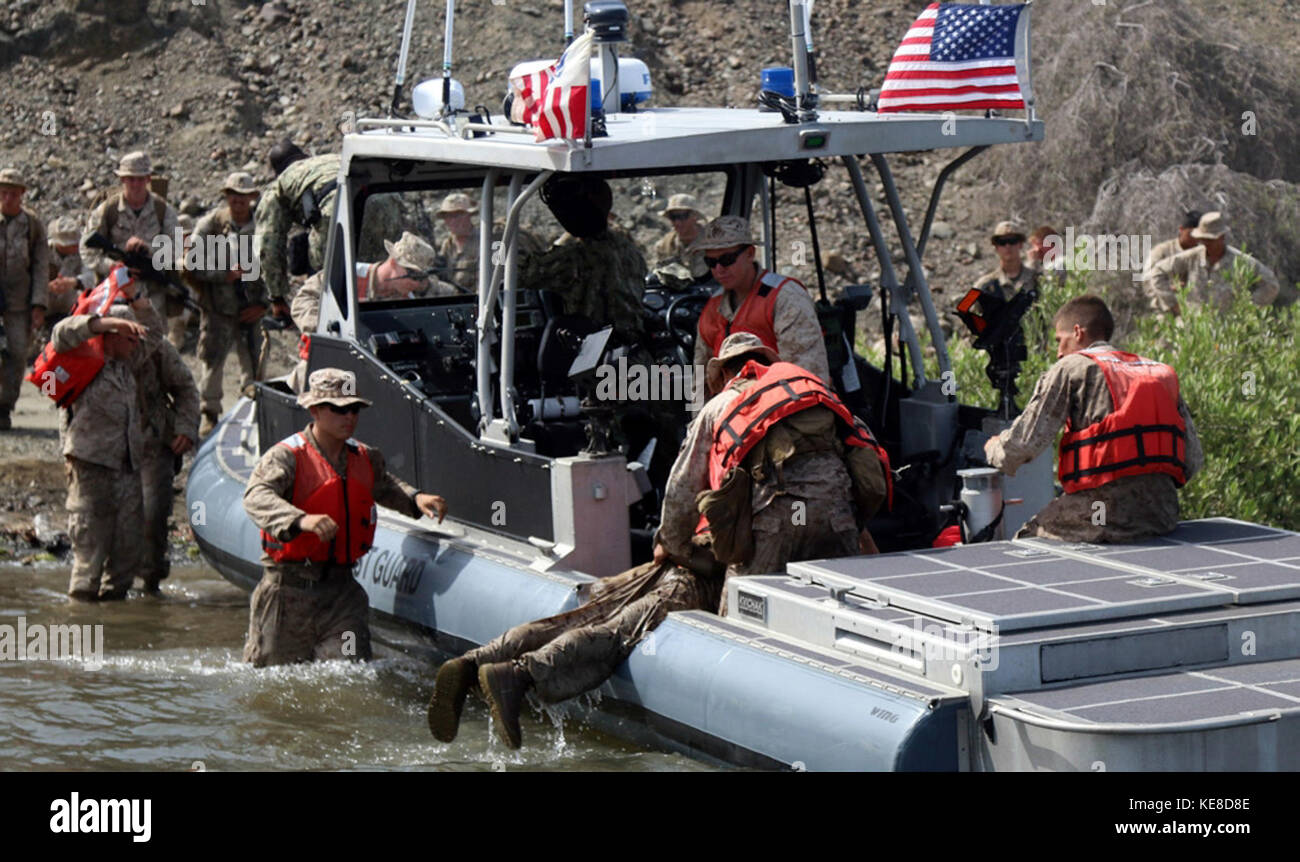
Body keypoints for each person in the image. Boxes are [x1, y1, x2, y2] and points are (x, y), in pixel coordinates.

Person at [659, 332, 889, 614]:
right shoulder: (807, 390)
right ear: (766, 362)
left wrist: (672, 544)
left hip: (778, 521)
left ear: (724, 374)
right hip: (834, 515)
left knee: (739, 619)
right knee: (846, 613)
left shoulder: (719, 406)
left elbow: (683, 488)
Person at [241, 368, 448, 667]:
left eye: (354, 409)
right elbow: (256, 497)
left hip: (341, 596)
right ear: (314, 410)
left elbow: (384, 485)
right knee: (273, 679)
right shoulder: (285, 457)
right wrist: (301, 520)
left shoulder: (364, 457)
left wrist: (415, 499)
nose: (349, 417)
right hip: (288, 594)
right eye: (339, 409)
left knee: (349, 673)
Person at [984, 295, 1204, 542]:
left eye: (1060, 341)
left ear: (1077, 333)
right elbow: (1193, 460)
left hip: (1102, 516)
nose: (1058, 352)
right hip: (1161, 515)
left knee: (1028, 537)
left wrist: (993, 449)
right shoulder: (1158, 372)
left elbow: (1024, 444)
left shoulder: (1072, 368)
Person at [47, 291, 160, 600]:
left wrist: (138, 300)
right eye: (128, 337)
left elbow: (157, 333)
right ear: (111, 336)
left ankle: (115, 631)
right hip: (90, 466)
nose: (135, 343)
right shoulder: (82, 357)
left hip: (126, 468)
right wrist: (105, 321)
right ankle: (82, 631)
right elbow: (61, 332)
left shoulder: (129, 362)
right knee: (89, 558)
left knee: (126, 554)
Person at [287, 232, 450, 392]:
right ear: (393, 262)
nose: (417, 284)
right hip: (327, 367)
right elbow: (302, 302)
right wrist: (333, 329)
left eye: (422, 278)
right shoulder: (347, 276)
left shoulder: (407, 302)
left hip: (373, 377)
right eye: (413, 275)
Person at [256, 139, 401, 312]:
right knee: (379, 273)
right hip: (385, 202)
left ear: (277, 172)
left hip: (336, 208)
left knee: (330, 284)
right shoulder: (333, 159)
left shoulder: (281, 183)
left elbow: (269, 243)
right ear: (305, 155)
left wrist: (277, 297)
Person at [690, 216, 830, 390]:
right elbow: (700, 381)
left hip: (781, 407)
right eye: (711, 262)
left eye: (727, 260)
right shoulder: (712, 309)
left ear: (750, 253)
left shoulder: (786, 298)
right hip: (729, 410)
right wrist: (701, 417)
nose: (718, 269)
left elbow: (808, 377)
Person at [518, 174, 648, 346]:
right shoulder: (628, 250)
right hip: (634, 354)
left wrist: (498, 242)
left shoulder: (574, 257)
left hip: (593, 359)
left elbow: (516, 273)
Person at [191, 172, 269, 435]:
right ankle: (209, 414)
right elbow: (191, 264)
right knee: (212, 361)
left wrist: (265, 305)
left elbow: (277, 266)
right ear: (226, 197)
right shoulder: (210, 226)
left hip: (252, 309)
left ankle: (252, 413)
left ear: (251, 198)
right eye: (233, 196)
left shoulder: (263, 226)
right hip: (217, 308)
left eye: (243, 197)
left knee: (255, 363)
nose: (238, 202)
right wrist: (224, 275)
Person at [134, 317, 200, 592]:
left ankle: (150, 581)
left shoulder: (156, 348)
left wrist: (185, 428)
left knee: (153, 512)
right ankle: (106, 583)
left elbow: (186, 388)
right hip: (106, 444)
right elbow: (68, 403)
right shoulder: (87, 350)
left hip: (152, 438)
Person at [80, 151, 180, 315]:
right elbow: (86, 247)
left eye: (140, 179)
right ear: (122, 179)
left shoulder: (162, 210)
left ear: (148, 179)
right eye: (131, 179)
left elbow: (176, 249)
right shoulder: (108, 209)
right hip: (115, 291)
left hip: (151, 292)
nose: (135, 184)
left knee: (155, 338)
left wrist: (149, 250)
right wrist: (112, 266)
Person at [1144, 211, 1281, 314]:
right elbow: (1156, 272)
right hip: (1190, 328)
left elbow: (1271, 285)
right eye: (1203, 239)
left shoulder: (1241, 261)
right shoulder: (1191, 257)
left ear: (1221, 237)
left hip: (1225, 331)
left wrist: (1247, 307)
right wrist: (1173, 304)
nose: (1205, 243)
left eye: (1210, 240)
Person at [0, 168, 49, 429]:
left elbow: (41, 266)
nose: (8, 198)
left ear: (22, 195)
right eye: (3, 192)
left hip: (18, 302)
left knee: (18, 354)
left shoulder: (32, 225)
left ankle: (4, 407)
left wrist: (39, 304)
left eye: (13, 193)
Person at [969, 220, 1038, 317]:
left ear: (1020, 244)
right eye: (1002, 242)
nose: (1008, 246)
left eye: (1012, 241)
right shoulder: (983, 284)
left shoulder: (1036, 280)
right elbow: (964, 308)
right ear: (996, 247)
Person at [651, 193, 709, 281]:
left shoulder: (713, 241)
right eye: (673, 217)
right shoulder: (664, 247)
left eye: (683, 216)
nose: (677, 222)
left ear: (694, 216)